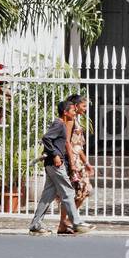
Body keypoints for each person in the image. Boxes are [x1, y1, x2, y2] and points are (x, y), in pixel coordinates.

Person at [29, 98, 92, 236]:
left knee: (47, 196)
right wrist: (56, 154)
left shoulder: (62, 124)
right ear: (65, 112)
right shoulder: (60, 124)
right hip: (55, 164)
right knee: (68, 192)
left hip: (53, 164)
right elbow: (46, 138)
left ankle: (35, 225)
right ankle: (77, 223)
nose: (75, 113)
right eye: (73, 111)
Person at [65, 94, 94, 212]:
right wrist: (72, 162)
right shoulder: (70, 121)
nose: (86, 109)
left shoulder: (76, 120)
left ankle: (69, 219)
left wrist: (86, 162)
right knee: (74, 191)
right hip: (72, 160)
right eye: (84, 106)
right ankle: (67, 220)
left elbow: (79, 146)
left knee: (83, 191)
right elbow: (67, 142)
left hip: (78, 161)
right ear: (76, 106)